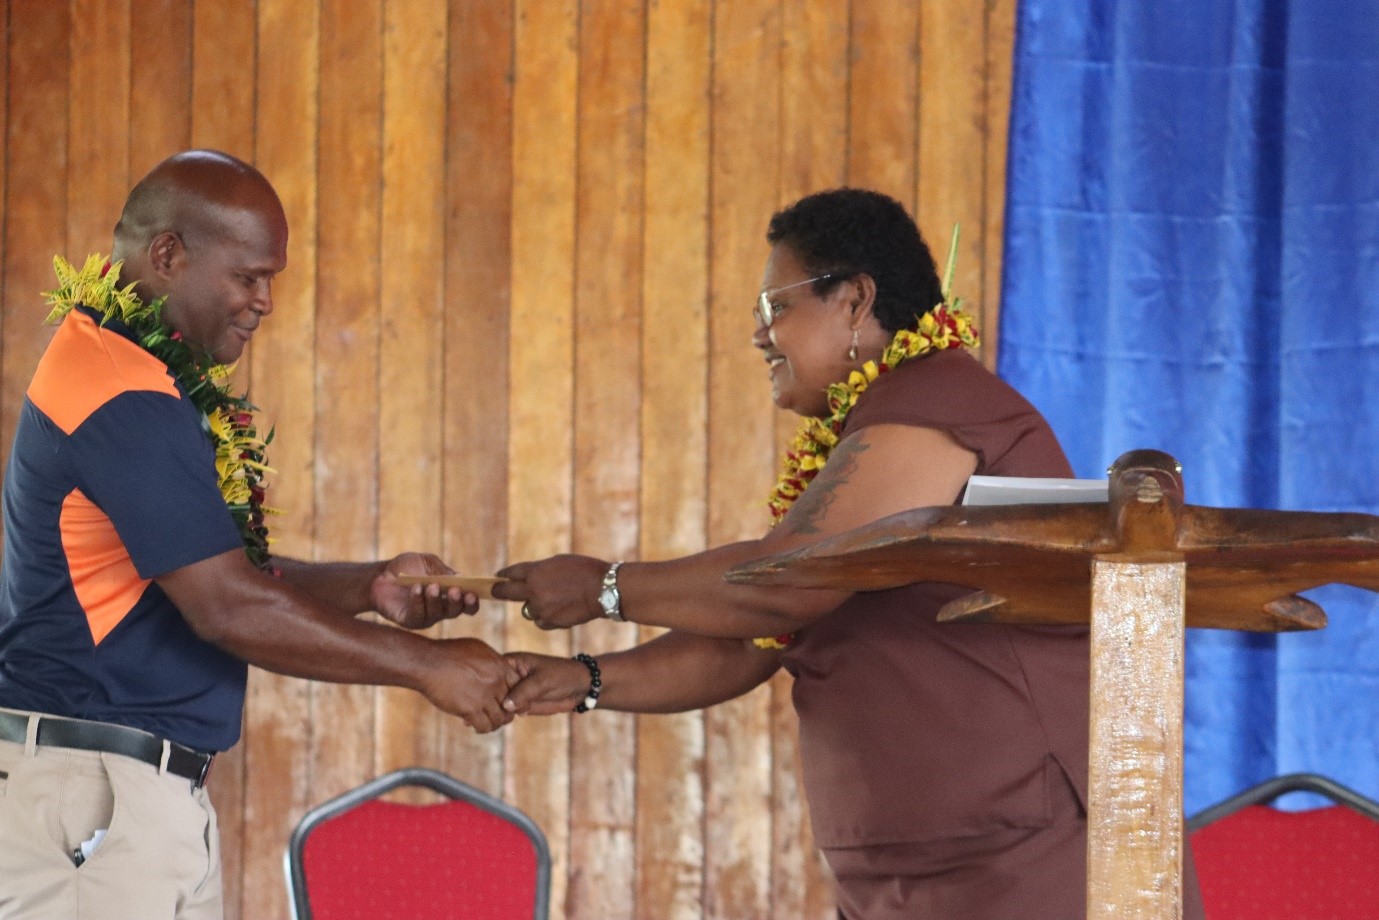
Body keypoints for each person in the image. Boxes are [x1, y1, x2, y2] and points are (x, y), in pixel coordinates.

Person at [494, 189, 1205, 920]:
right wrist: (581, 680)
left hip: (1022, 861)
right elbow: (754, 642)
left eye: (775, 308)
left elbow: (783, 589)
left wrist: (603, 588)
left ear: (856, 300)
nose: (760, 337)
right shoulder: (867, 439)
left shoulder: (936, 403)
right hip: (905, 867)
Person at [0, 150, 517, 920]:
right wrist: (427, 667)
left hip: (124, 797)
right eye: (249, 276)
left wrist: (370, 585)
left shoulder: (136, 374)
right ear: (169, 254)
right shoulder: (118, 393)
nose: (264, 301)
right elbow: (227, 607)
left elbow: (211, 573)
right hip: (88, 800)